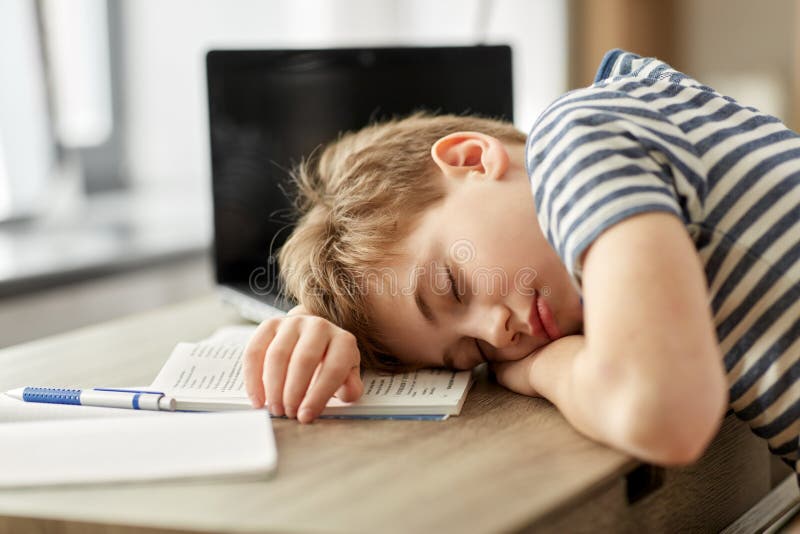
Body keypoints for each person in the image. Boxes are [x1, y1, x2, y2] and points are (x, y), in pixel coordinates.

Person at [243, 49, 800, 469]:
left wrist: (538, 370)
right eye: (473, 354)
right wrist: (323, 327)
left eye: (453, 286)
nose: (499, 333)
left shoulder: (574, 139)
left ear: (470, 160)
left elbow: (660, 416)